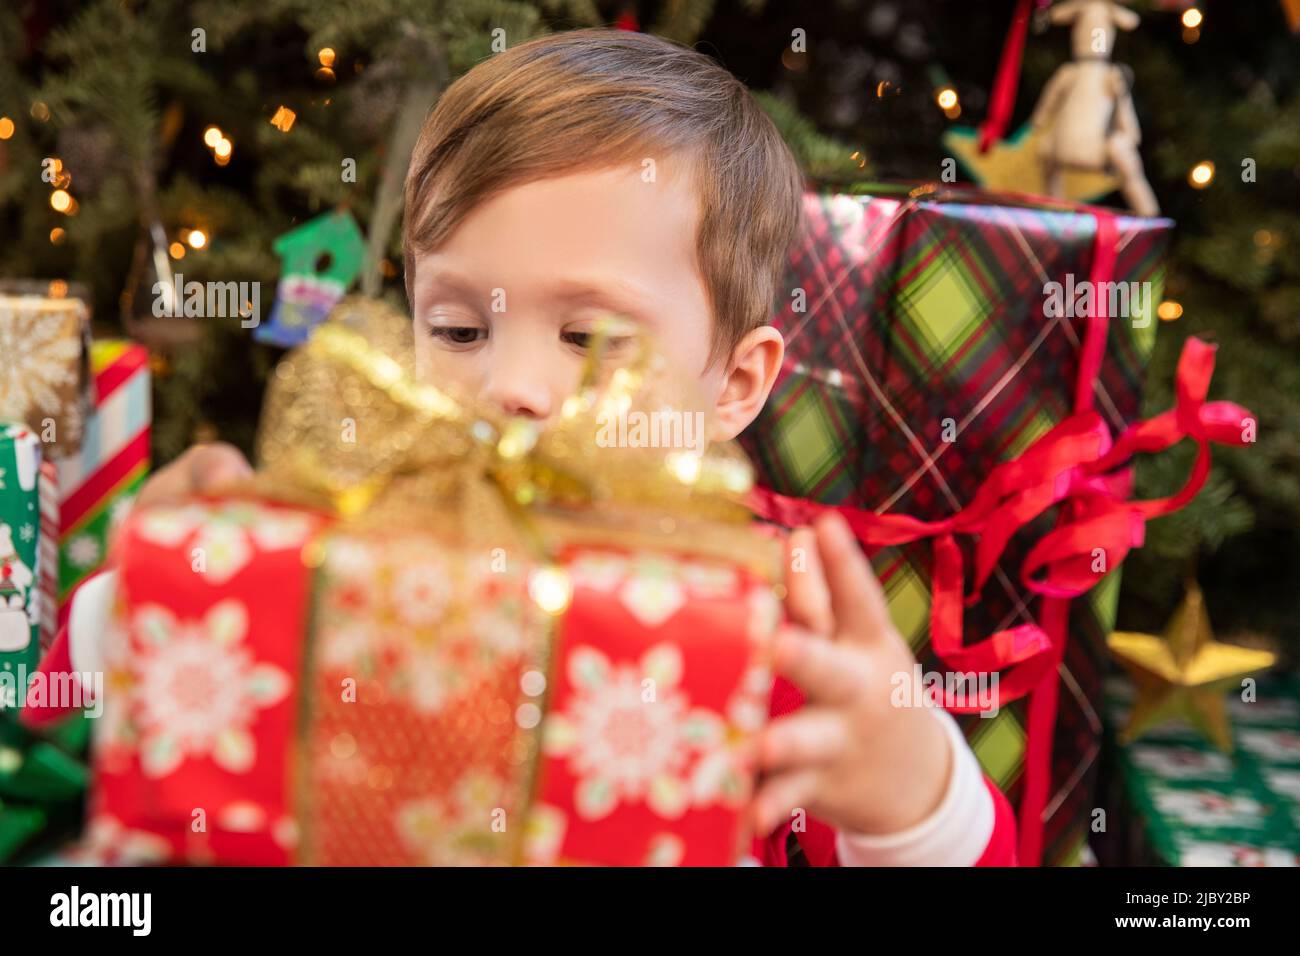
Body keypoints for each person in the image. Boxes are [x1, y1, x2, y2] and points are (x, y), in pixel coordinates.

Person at [45, 28, 1015, 866]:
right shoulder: (355, 546)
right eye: (460, 329)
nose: (509, 386)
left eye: (589, 338)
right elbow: (54, 753)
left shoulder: (774, 616)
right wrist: (143, 601)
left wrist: (910, 792)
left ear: (735, 383)